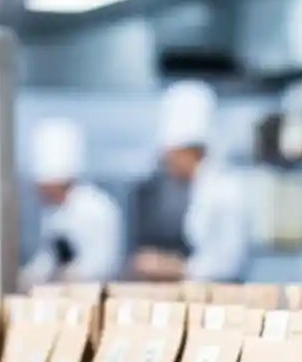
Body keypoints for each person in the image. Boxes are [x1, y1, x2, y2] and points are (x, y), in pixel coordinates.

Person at [130, 81, 249, 283]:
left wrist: (172, 267)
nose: (168, 165)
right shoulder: (199, 189)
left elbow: (229, 264)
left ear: (189, 152)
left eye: (170, 157)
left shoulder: (226, 191)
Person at [22, 119, 124, 287]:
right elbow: (48, 258)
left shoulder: (96, 208)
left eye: (42, 184)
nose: (38, 189)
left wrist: (68, 275)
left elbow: (103, 264)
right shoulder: (53, 212)